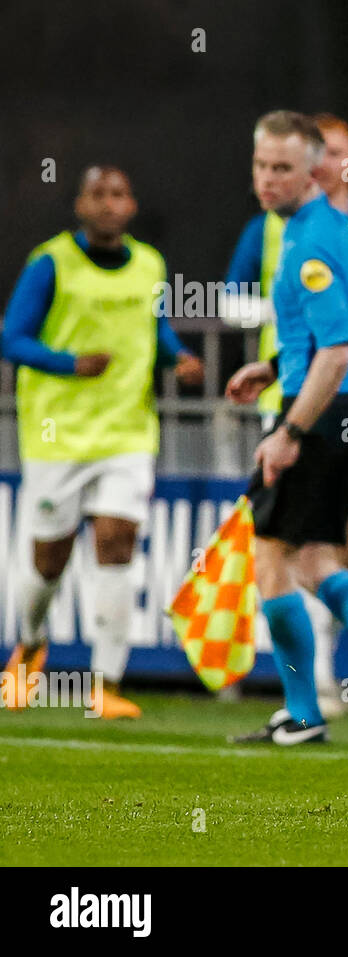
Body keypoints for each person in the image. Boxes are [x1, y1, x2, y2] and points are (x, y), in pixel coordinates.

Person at [223, 110, 348, 746]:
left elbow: (336, 351)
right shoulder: (330, 226)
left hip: (327, 409)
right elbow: (331, 334)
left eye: (282, 167)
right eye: (260, 165)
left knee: (270, 557)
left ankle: (303, 712)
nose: (266, 179)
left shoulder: (307, 240)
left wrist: (287, 430)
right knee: (313, 556)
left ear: (311, 169)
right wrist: (274, 364)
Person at [1, 166, 204, 717]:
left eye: (118, 194)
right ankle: (31, 644)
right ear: (81, 206)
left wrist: (176, 357)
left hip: (127, 431)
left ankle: (106, 685)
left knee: (116, 543)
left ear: (131, 206)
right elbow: (11, 338)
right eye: (98, 194)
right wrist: (69, 363)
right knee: (49, 560)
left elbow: (153, 327)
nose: (109, 204)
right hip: (56, 435)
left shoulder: (150, 264)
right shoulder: (51, 262)